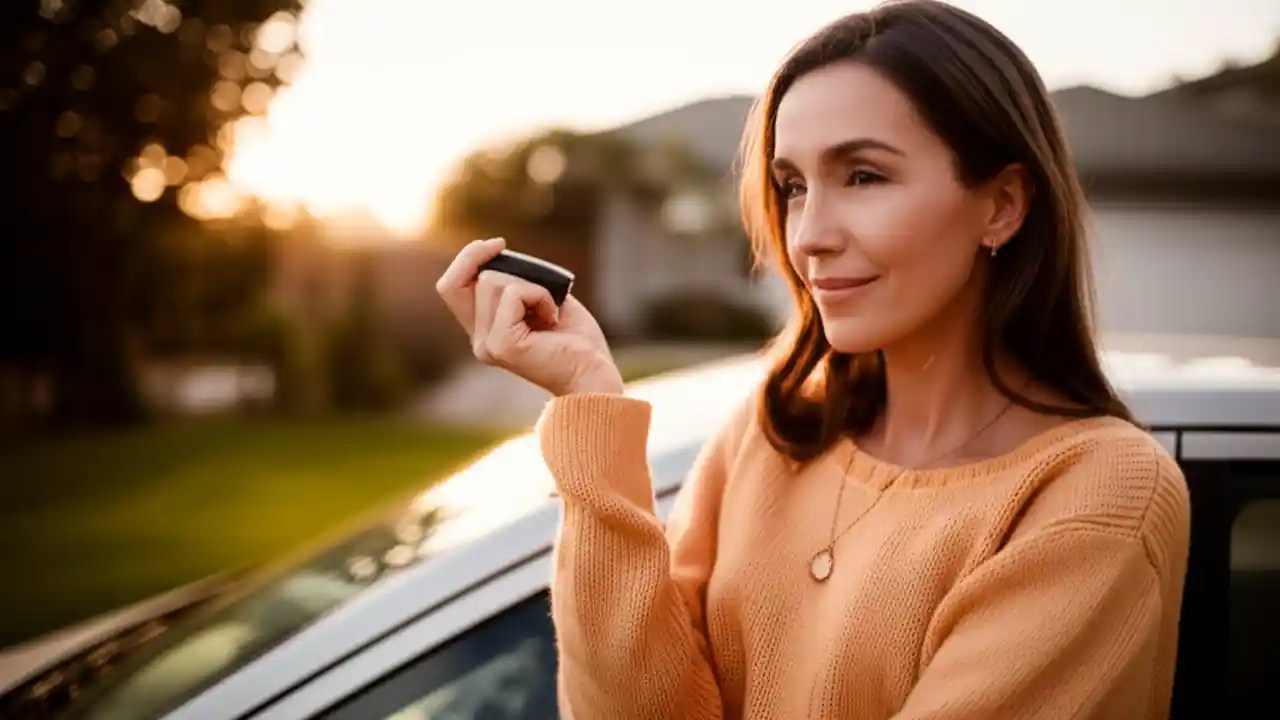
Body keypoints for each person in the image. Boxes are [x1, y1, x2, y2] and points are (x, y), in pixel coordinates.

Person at [435, 1, 1191, 717]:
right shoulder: (773, 431)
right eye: (793, 186)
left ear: (1002, 206)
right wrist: (587, 400)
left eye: (863, 176)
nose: (808, 236)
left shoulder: (1097, 495)